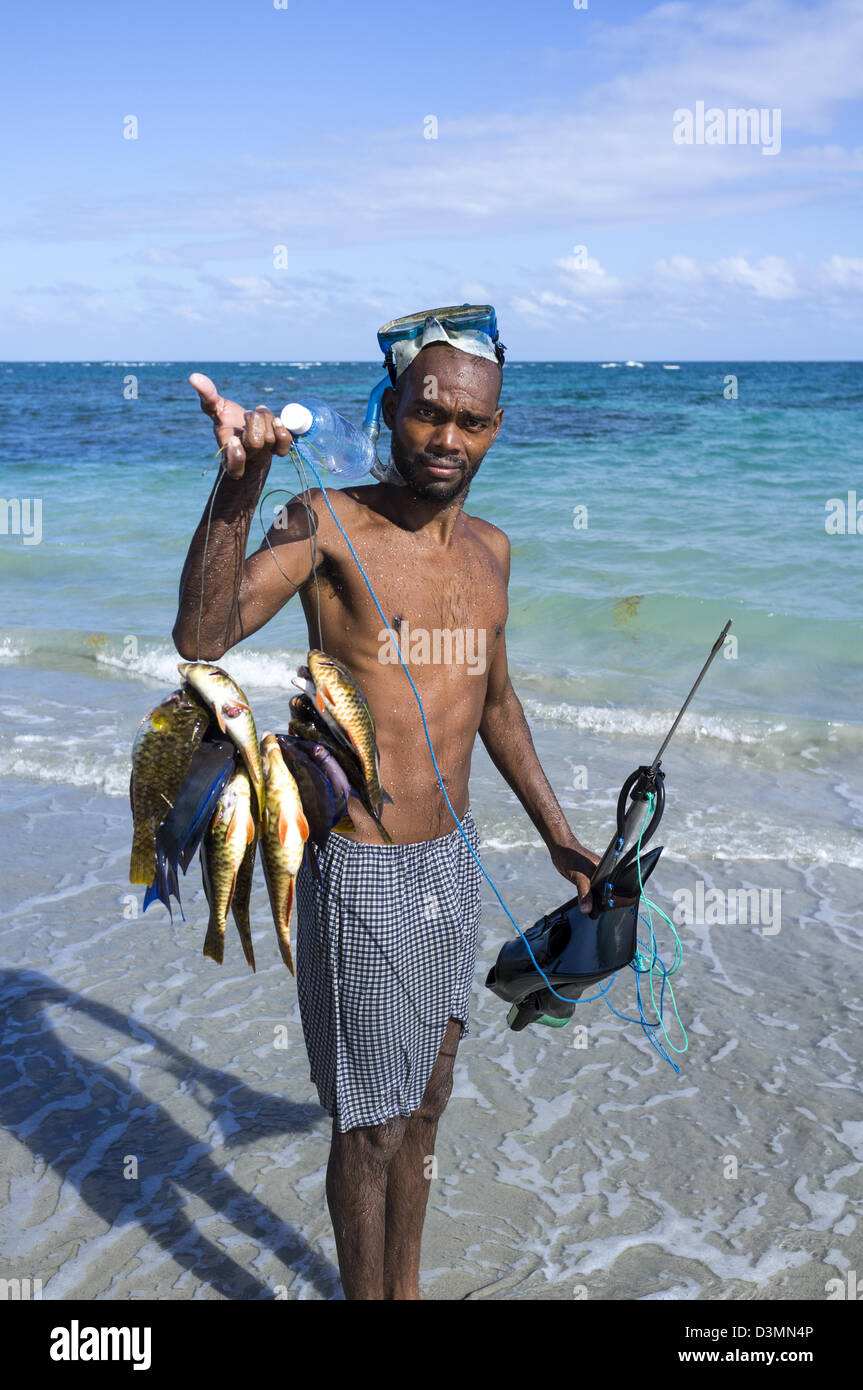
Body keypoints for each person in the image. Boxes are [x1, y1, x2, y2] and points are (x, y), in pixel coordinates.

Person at [172, 309, 600, 1300]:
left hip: (451, 865)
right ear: (391, 408)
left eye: (473, 422)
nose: (447, 439)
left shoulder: (490, 550)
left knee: (429, 1098)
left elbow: (492, 702)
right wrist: (241, 484)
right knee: (368, 1127)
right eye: (428, 412)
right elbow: (202, 634)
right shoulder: (323, 523)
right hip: (358, 867)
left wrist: (560, 838)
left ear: (496, 427)